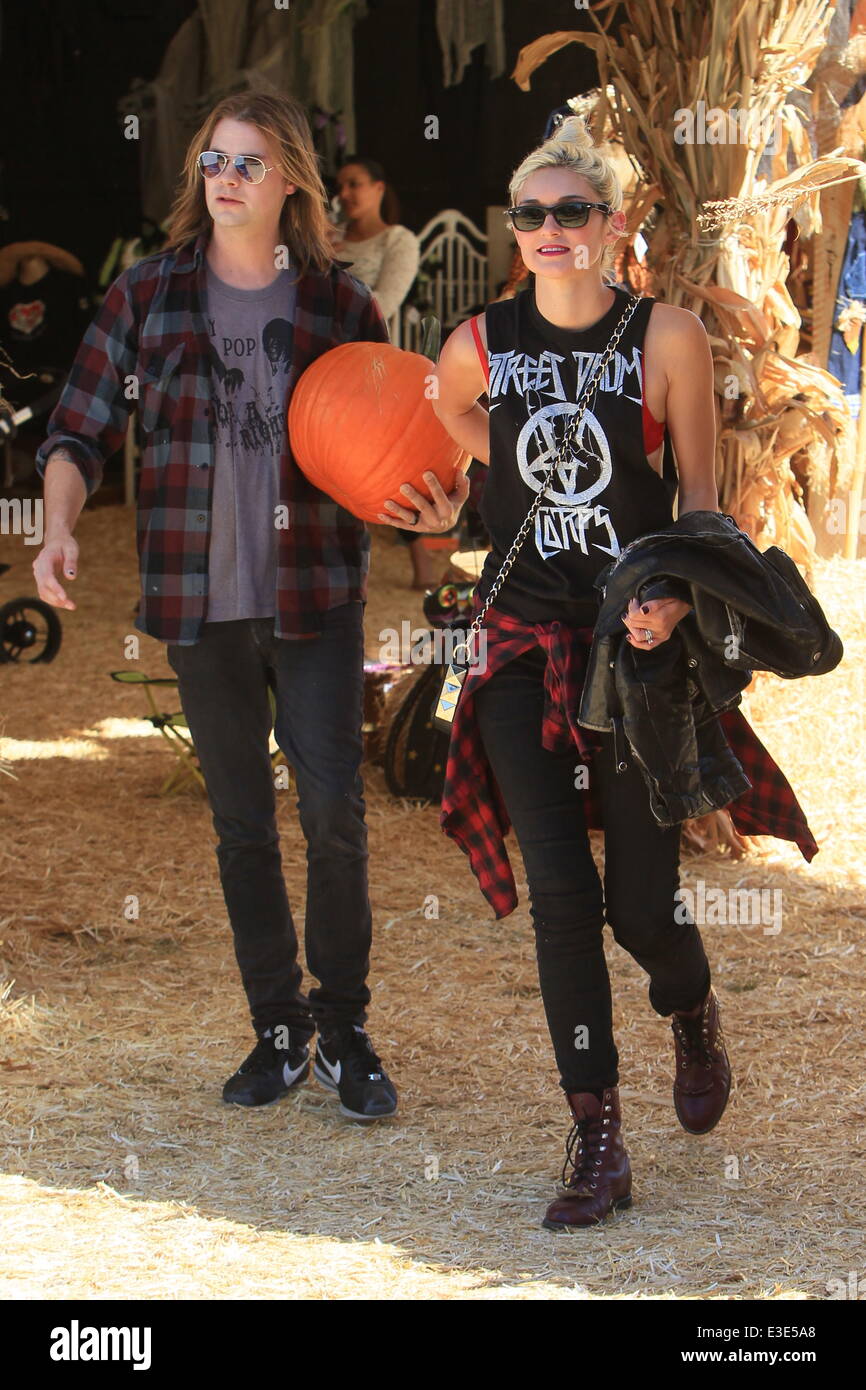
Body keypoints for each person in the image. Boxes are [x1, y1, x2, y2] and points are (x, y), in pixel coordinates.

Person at [31, 92, 468, 1122]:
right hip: (198, 602)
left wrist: (437, 506)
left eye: (248, 162)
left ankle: (345, 1028)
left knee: (333, 815)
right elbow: (75, 431)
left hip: (313, 595)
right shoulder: (145, 295)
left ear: (291, 185)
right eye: (212, 160)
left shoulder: (337, 307)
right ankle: (277, 1029)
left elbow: (403, 447)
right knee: (241, 825)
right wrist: (54, 528)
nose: (225, 177)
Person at [425, 114, 733, 1226]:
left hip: (632, 649)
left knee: (639, 908)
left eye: (572, 213)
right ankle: (595, 1134)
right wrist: (494, 462)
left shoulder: (669, 339)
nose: (550, 233)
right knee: (560, 897)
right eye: (532, 216)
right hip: (516, 641)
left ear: (611, 224)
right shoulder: (481, 340)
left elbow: (699, 496)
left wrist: (671, 595)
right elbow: (449, 410)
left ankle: (690, 1008)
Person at [328, 156, 442, 591]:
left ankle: (422, 568)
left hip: (376, 367)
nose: (346, 194)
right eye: (341, 186)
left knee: (394, 465)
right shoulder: (328, 237)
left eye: (355, 184)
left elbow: (384, 302)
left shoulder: (399, 240)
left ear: (379, 188)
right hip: (323, 367)